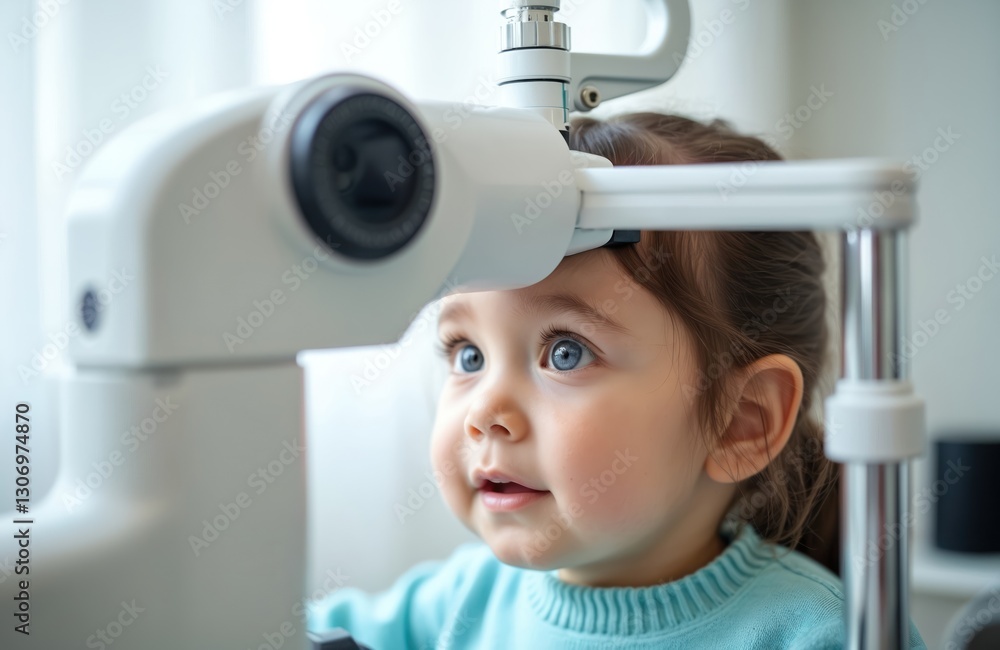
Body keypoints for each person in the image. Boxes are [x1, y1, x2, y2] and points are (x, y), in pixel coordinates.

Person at [307, 113, 928, 649]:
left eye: (568, 353)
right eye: (468, 355)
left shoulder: (816, 634)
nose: (485, 413)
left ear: (742, 421)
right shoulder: (455, 604)